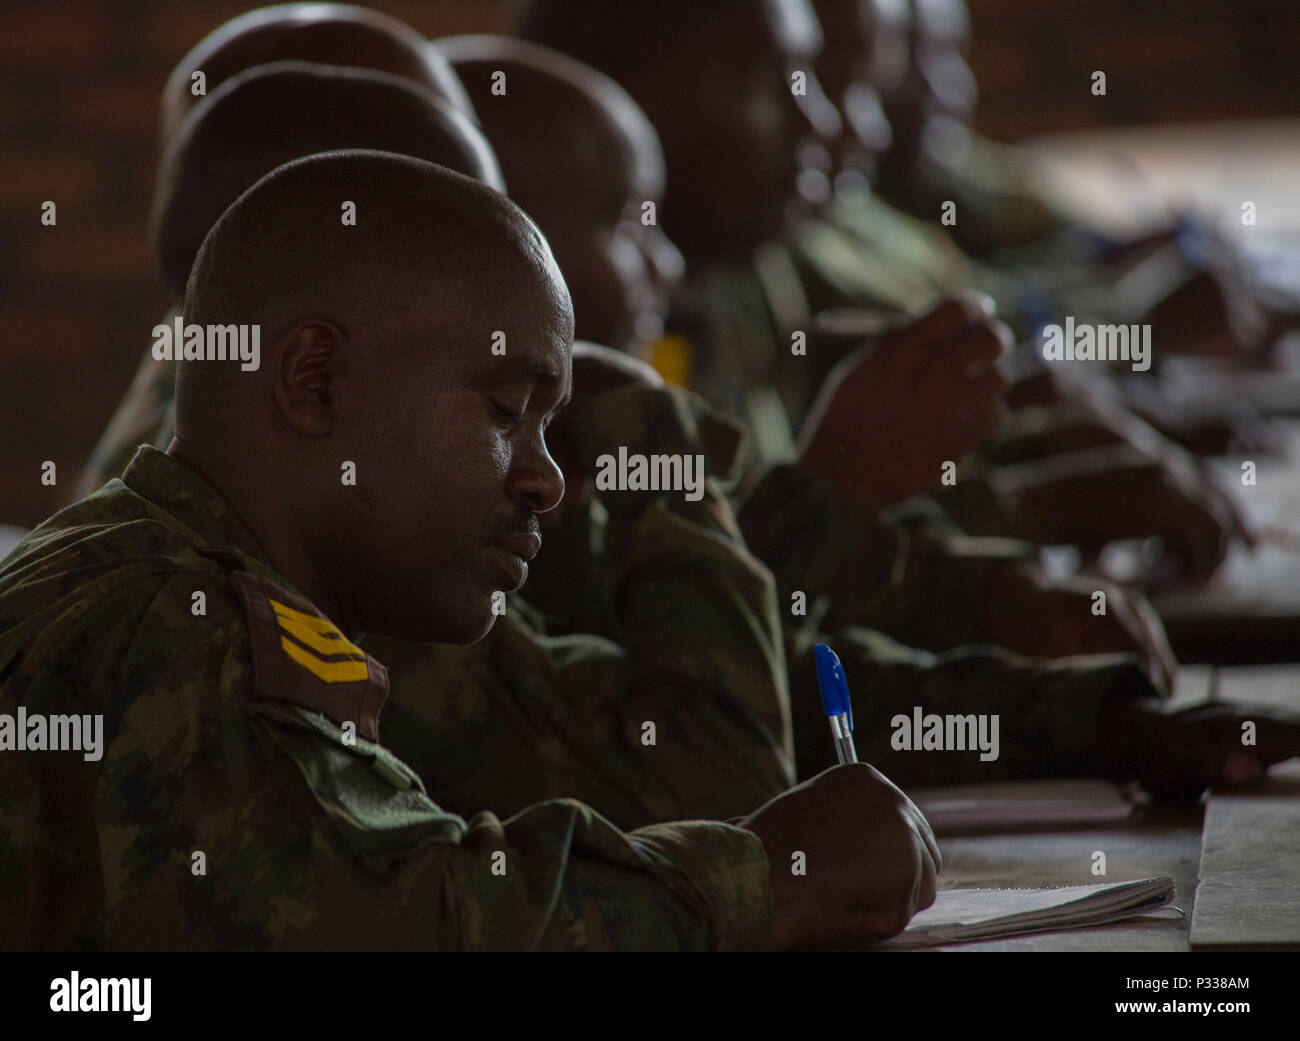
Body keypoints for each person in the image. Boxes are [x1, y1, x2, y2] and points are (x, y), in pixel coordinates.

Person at [0, 150, 941, 951]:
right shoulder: (180, 624)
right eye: (503, 410)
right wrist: (763, 877)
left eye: (548, 426)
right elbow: (401, 925)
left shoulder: (160, 569)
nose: (546, 478)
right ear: (316, 382)